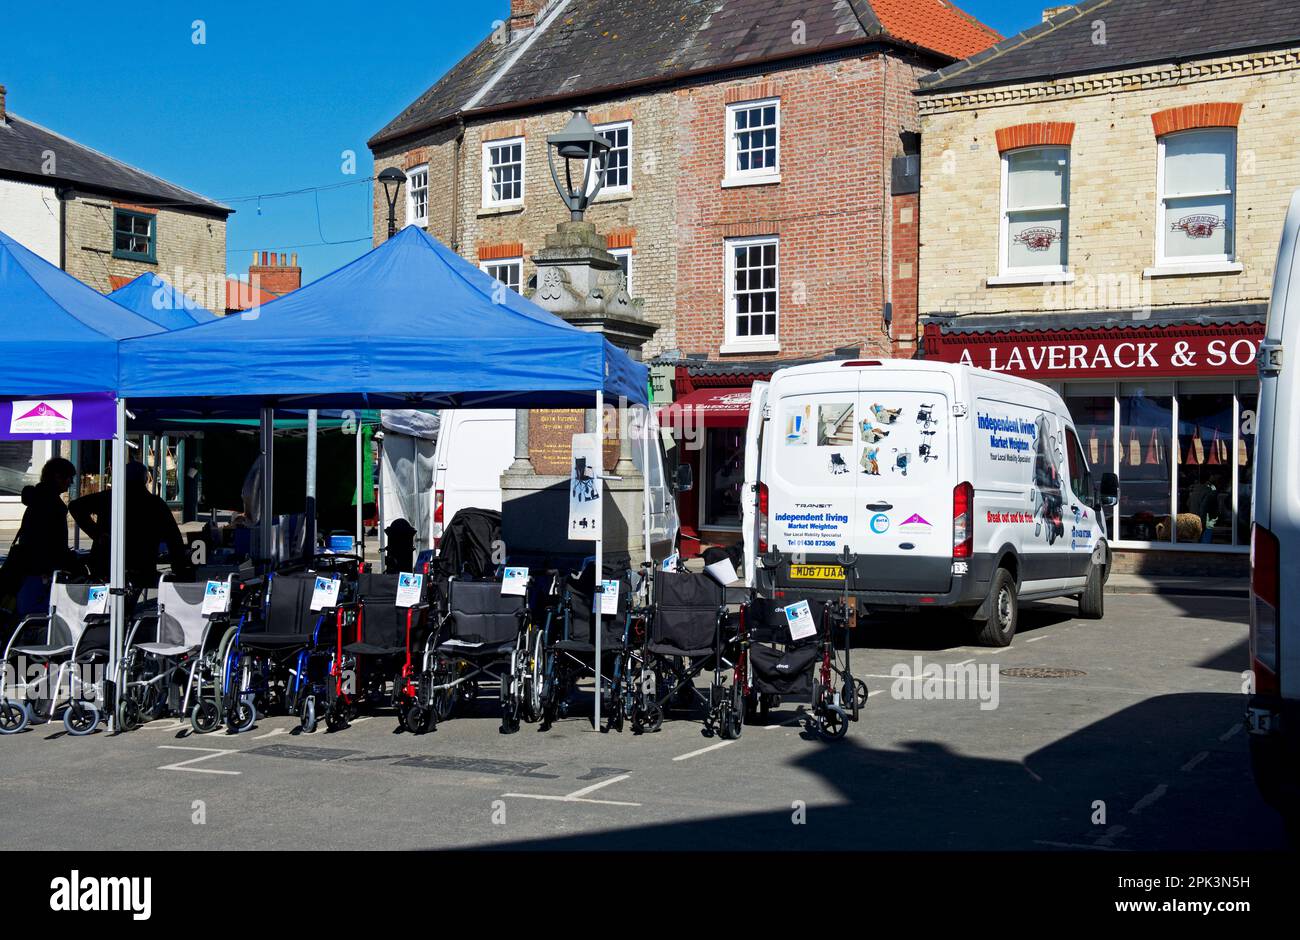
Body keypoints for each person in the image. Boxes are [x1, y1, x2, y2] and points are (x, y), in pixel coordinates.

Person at [69, 461, 192, 587]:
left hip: (106, 563)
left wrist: (96, 533)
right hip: (140, 565)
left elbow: (75, 506)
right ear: (144, 480)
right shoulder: (154, 503)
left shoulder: (109, 497)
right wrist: (179, 568)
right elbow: (173, 538)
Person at [0, 457, 79, 606]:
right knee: (36, 611)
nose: (71, 483)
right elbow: (48, 540)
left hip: (30, 567)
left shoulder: (39, 497)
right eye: (69, 478)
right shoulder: (50, 503)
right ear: (57, 477)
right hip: (40, 570)